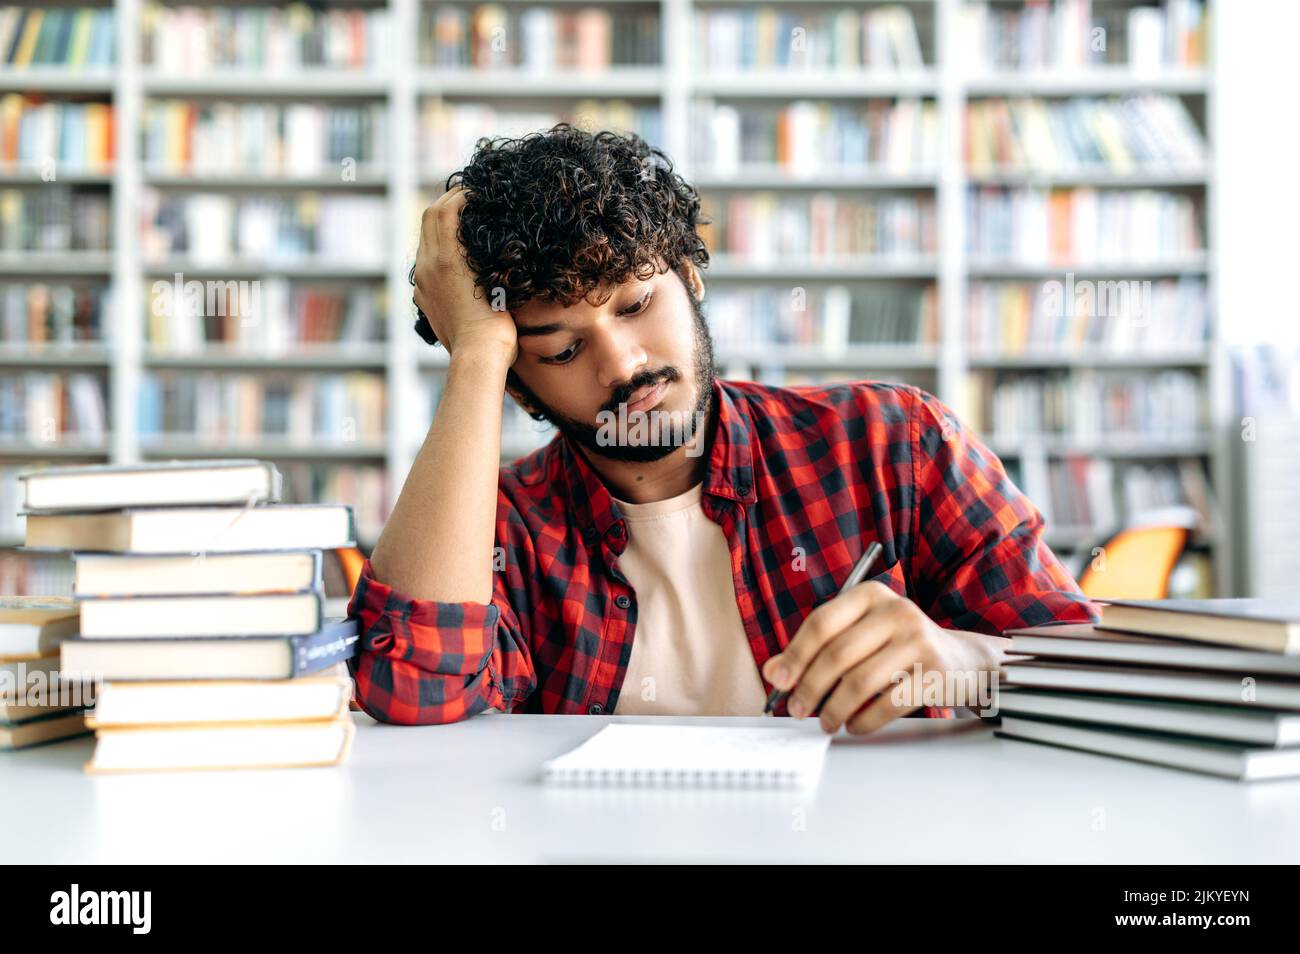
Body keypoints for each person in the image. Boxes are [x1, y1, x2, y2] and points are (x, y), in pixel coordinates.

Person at [348, 123, 1096, 734]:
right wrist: (477, 354)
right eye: (562, 350)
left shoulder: (893, 444)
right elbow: (416, 690)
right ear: (520, 388)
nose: (624, 364)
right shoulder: (500, 531)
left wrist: (962, 664)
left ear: (689, 275)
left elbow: (1102, 682)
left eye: (637, 305)